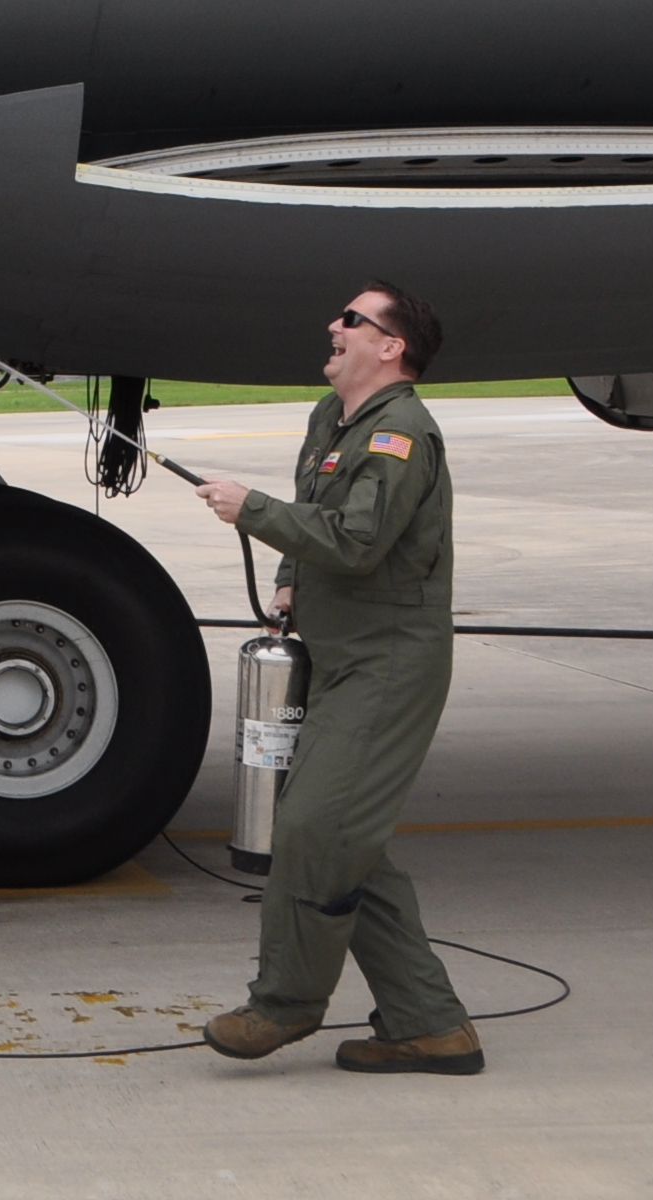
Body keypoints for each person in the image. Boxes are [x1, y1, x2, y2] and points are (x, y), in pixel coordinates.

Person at [192, 280, 480, 1076]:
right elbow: (319, 509)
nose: (334, 325)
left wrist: (252, 508)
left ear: (391, 347)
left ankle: (284, 1006)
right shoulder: (333, 420)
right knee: (348, 846)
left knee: (315, 830)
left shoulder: (403, 436)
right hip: (337, 652)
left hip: (389, 663)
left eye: (352, 319)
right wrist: (287, 576)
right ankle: (430, 1023)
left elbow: (356, 541)